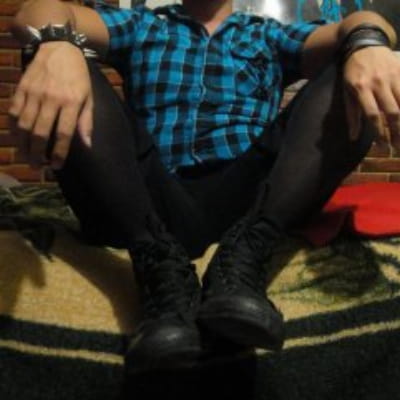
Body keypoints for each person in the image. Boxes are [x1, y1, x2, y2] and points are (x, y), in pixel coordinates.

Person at [9, 0, 400, 373]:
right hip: (148, 202)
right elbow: (35, 13)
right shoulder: (143, 25)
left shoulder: (268, 34)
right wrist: (57, 43)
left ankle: (247, 254)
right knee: (49, 52)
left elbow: (358, 23)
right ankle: (157, 262)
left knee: (354, 68)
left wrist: (367, 42)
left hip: (248, 204)